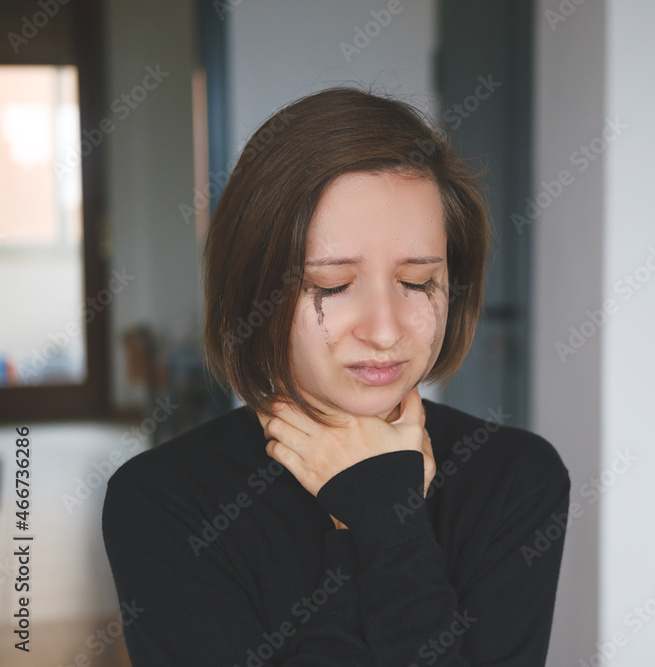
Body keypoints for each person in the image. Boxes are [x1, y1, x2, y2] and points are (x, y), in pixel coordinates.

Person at [101, 86, 571, 665]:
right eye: (331, 286)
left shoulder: (518, 480)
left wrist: (384, 522)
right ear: (255, 290)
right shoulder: (163, 502)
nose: (383, 330)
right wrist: (372, 523)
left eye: (418, 281)